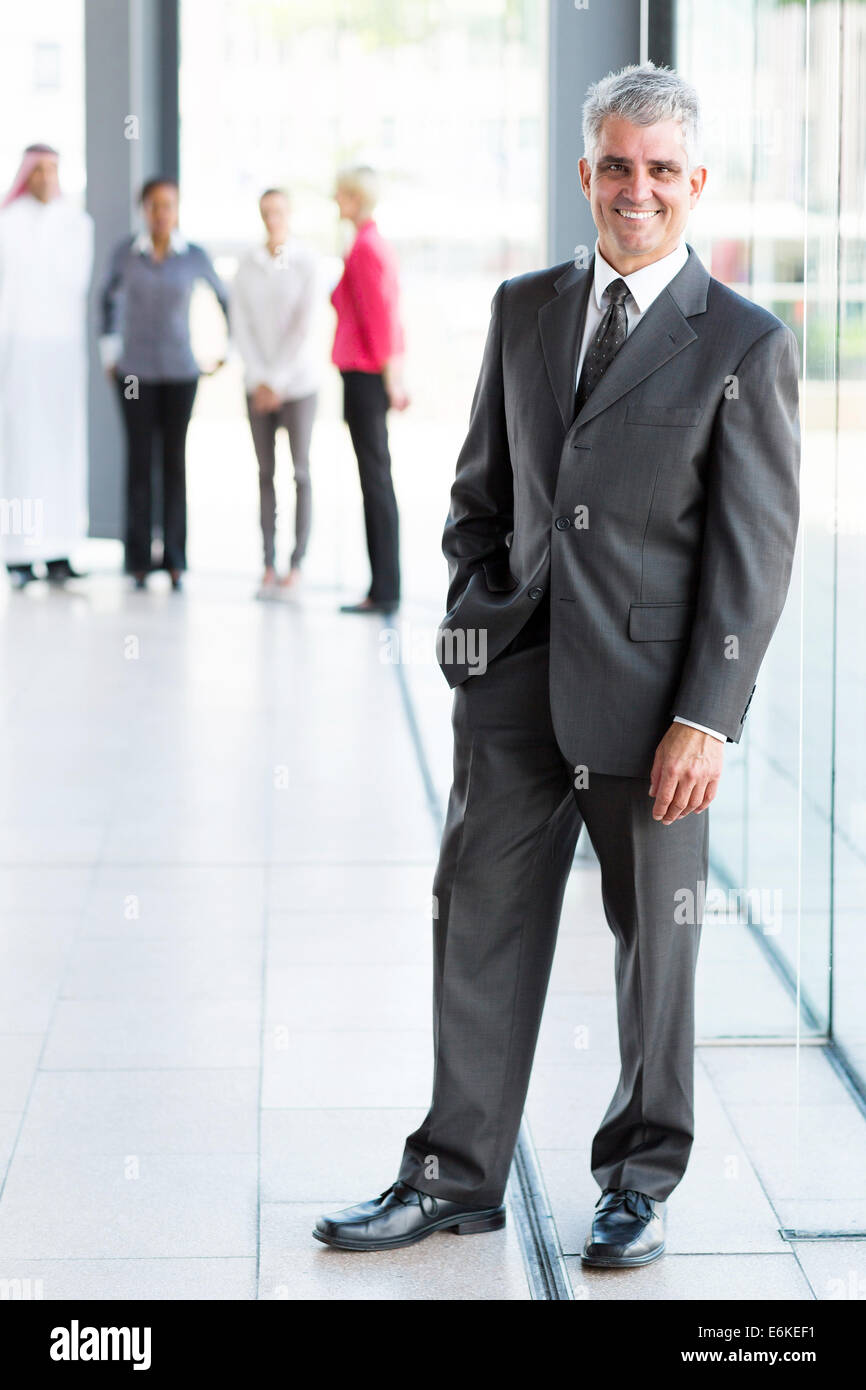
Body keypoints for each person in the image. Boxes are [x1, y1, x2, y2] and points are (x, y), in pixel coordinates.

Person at [314, 64, 801, 1266]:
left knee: (657, 951)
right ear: (585, 174)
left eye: (660, 170)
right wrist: (473, 637)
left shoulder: (742, 342)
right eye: (615, 167)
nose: (636, 190)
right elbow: (478, 496)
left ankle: (636, 1180)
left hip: (654, 715)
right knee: (473, 922)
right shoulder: (523, 307)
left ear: (694, 183)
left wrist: (708, 717)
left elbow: (753, 556)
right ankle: (454, 1173)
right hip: (516, 693)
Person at [100, 177, 228, 590]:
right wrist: (110, 353)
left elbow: (225, 298)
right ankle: (137, 558)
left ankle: (174, 558)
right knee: (139, 461)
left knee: (173, 463)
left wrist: (226, 351)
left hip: (179, 373)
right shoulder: (126, 254)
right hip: (135, 374)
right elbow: (107, 300)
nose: (161, 213)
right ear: (144, 209)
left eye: (168, 206)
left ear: (177, 210)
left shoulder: (193, 256)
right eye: (154, 206)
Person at [0, 144, 93, 588]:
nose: (46, 178)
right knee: (20, 454)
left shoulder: (75, 224)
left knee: (61, 450)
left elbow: (74, 284)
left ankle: (59, 549)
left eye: (54, 169)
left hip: (59, 358)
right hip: (17, 358)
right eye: (38, 170)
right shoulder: (7, 223)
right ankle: (19, 553)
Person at [231, 188, 319, 600]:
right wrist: (262, 378)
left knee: (299, 472)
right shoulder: (246, 267)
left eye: (279, 212)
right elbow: (241, 326)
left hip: (298, 385)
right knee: (264, 474)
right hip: (258, 388)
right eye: (266, 212)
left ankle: (296, 564)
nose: (272, 219)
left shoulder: (306, 263)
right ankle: (267, 563)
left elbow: (304, 325)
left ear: (290, 214)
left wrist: (279, 379)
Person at [331, 166, 408, 615]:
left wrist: (390, 377)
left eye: (341, 195)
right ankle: (383, 586)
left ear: (355, 198)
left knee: (375, 480)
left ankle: (384, 588)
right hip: (367, 375)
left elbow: (380, 318)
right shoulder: (370, 245)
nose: (336, 202)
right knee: (376, 477)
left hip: (364, 378)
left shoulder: (364, 248)